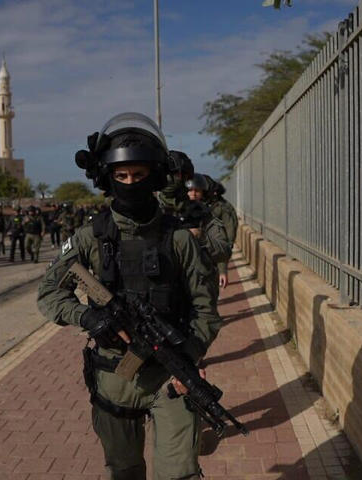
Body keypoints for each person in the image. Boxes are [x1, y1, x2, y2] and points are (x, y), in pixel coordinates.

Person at [38, 112, 220, 480]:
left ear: (153, 176)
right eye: (121, 176)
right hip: (113, 378)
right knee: (124, 472)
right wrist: (87, 317)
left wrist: (190, 353)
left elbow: (206, 309)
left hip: (170, 378)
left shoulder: (179, 238)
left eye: (138, 175)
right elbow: (49, 295)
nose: (130, 183)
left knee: (180, 472)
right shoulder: (90, 237)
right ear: (107, 179)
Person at [184, 174, 232, 287]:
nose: (193, 194)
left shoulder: (208, 216)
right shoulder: (172, 214)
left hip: (203, 275)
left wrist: (222, 270)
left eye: (197, 191)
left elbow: (224, 247)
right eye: (189, 190)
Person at [201, 175, 238, 289]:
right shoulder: (195, 206)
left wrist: (222, 270)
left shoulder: (223, 208)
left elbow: (226, 241)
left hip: (212, 254)